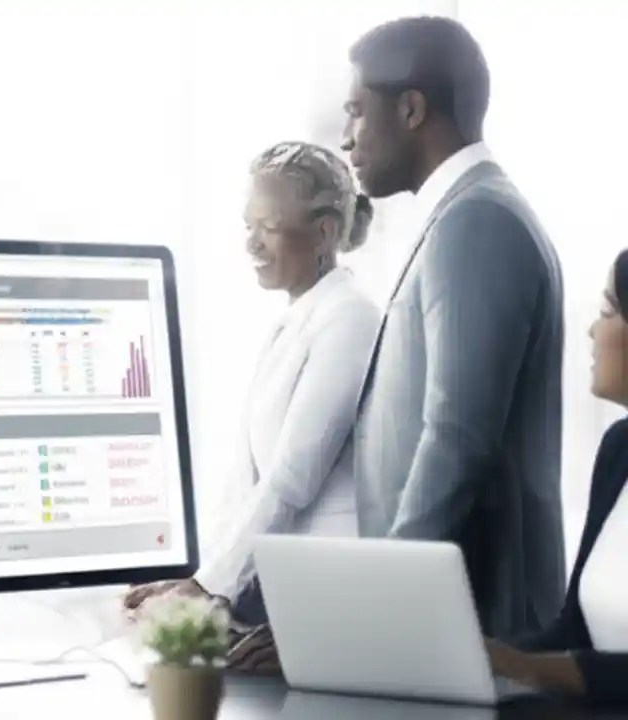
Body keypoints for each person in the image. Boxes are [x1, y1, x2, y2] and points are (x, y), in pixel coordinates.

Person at [228, 16, 567, 674]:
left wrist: (366, 616)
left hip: (482, 628)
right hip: (453, 625)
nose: (347, 138)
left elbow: (456, 440)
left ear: (411, 108)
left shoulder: (478, 221)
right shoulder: (460, 216)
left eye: (357, 112)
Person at [123, 142, 379, 625]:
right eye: (249, 226)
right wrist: (199, 578)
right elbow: (245, 483)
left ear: (323, 233)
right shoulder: (299, 320)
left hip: (332, 602)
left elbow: (291, 478)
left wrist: (208, 587)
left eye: (269, 227)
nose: (251, 244)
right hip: (280, 590)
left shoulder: (350, 320)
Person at [486, 250, 628, 704]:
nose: (592, 330)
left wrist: (531, 668)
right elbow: (573, 631)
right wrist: (476, 655)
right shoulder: (618, 449)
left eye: (607, 311)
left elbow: (560, 664)